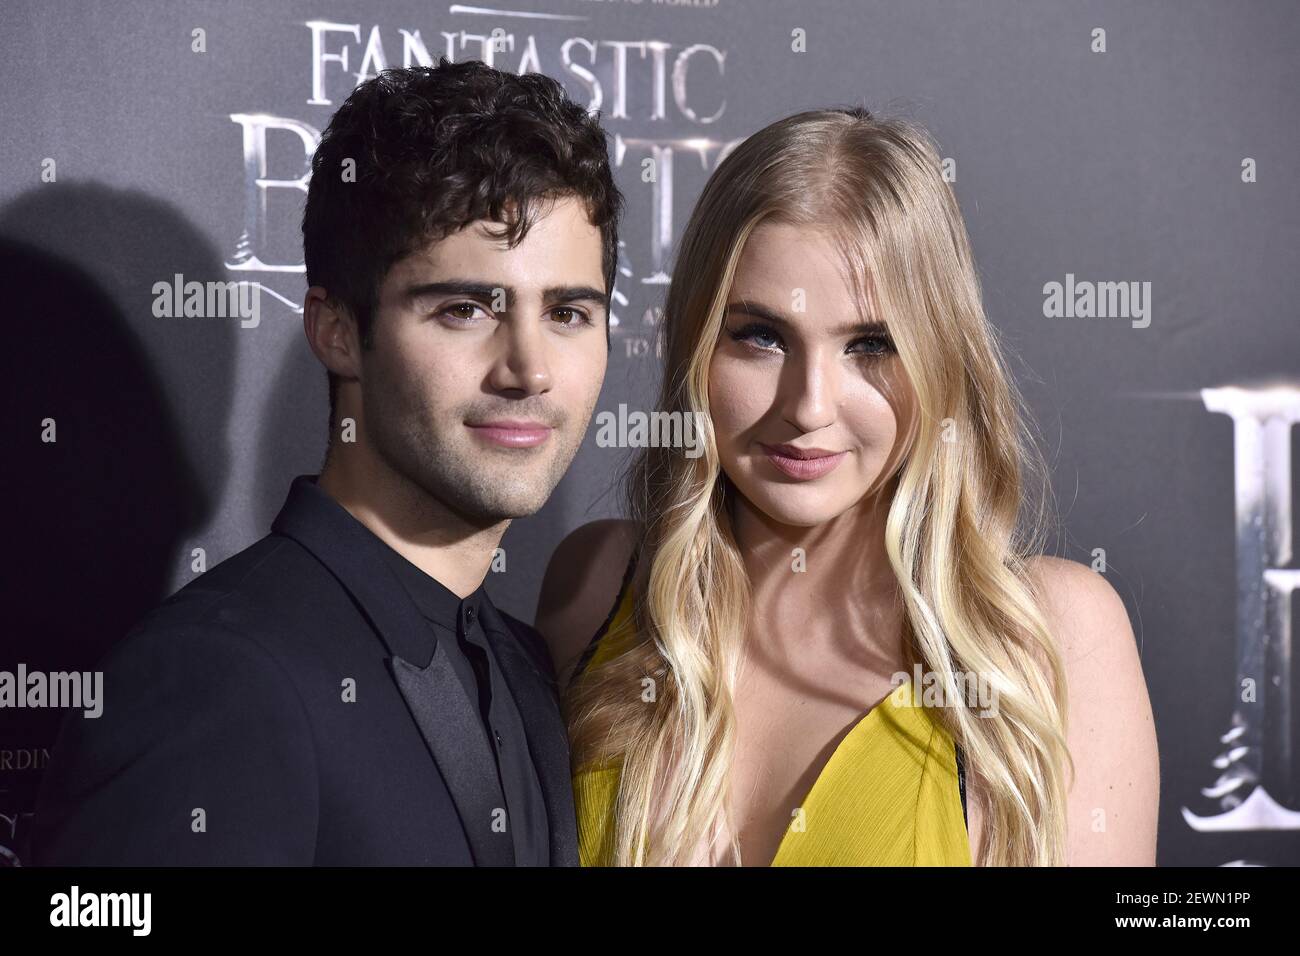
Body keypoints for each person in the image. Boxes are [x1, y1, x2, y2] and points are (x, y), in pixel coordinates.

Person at [31, 59, 623, 865]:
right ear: (337, 330)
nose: (529, 368)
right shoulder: (214, 682)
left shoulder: (528, 670)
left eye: (567, 313)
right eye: (463, 308)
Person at [536, 107, 1159, 866]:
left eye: (871, 346)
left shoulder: (1051, 636)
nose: (808, 406)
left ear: (940, 358)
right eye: (761, 337)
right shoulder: (599, 585)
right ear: (698, 344)